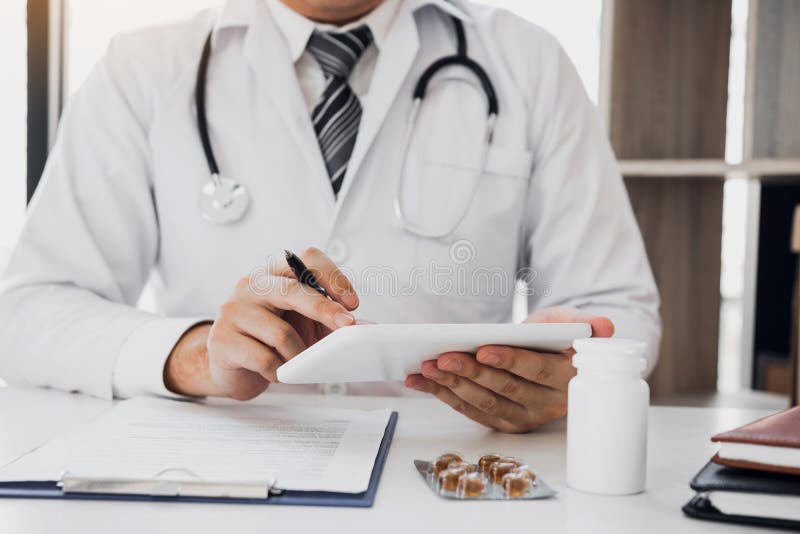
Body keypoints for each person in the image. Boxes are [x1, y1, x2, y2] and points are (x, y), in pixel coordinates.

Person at [0, 0, 660, 433]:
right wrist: (197, 354)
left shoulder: (527, 61)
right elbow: (28, 313)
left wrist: (566, 376)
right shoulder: (142, 69)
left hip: (452, 476)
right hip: (221, 478)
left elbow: (616, 308)